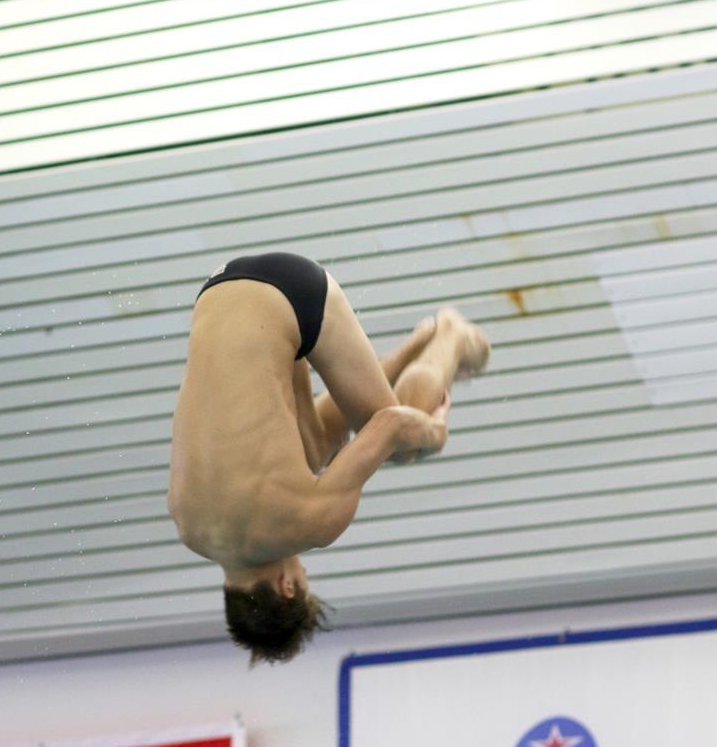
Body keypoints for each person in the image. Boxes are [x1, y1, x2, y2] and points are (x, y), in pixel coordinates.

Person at [167, 251, 491, 664]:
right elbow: (314, 431)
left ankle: (451, 335)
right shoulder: (188, 525)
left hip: (294, 295)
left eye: (303, 577)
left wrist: (437, 434)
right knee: (316, 452)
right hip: (218, 288)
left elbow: (389, 424)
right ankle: (415, 345)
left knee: (406, 446)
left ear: (288, 587)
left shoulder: (303, 526)